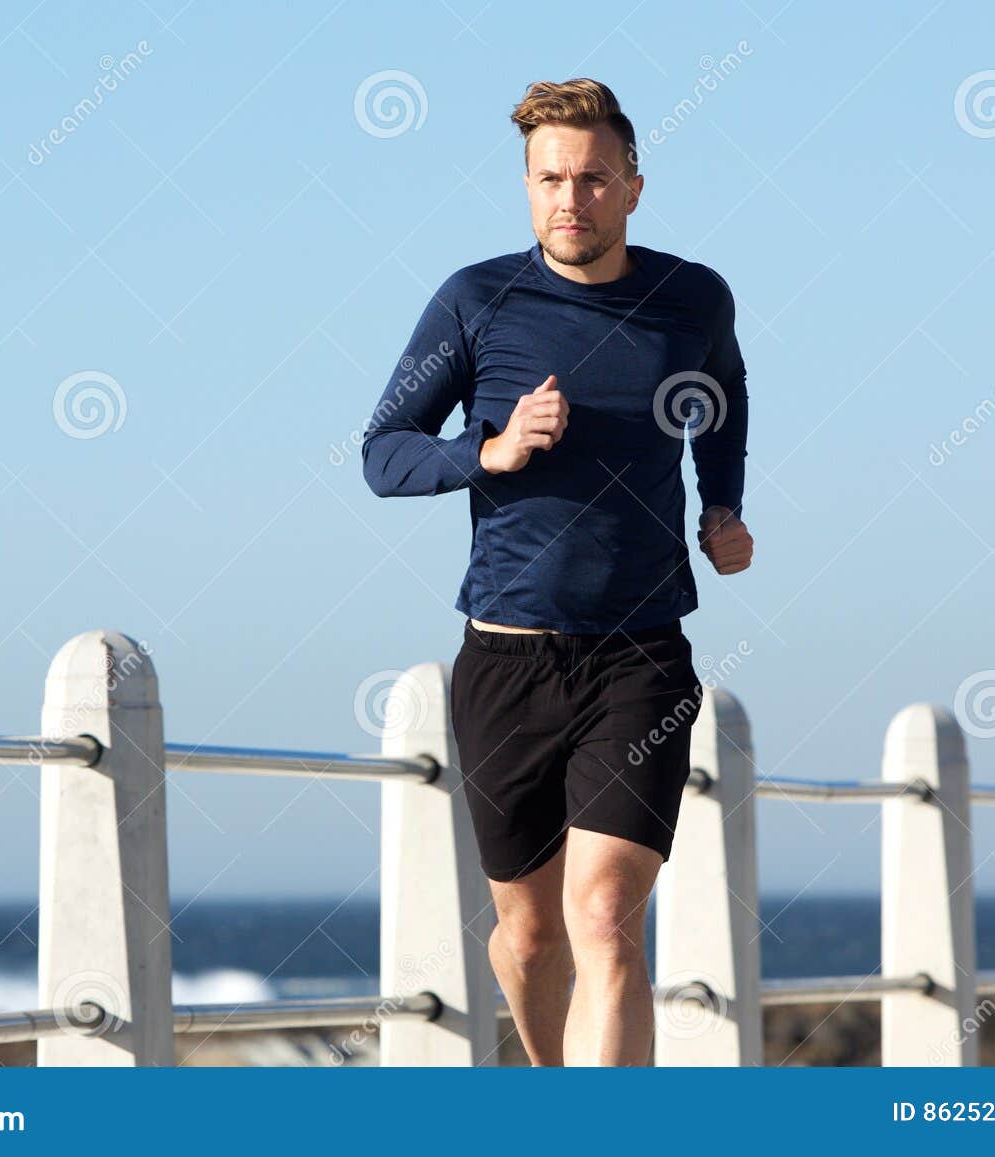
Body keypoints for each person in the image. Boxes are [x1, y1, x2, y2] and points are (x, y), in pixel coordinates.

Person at [360, 77, 753, 1066]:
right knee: (531, 937)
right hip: (507, 661)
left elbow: (725, 396)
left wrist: (721, 506)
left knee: (607, 918)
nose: (567, 198)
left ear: (631, 187)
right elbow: (382, 450)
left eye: (589, 178)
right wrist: (483, 451)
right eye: (547, 180)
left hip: (639, 661)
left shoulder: (691, 298)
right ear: (527, 187)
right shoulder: (475, 300)